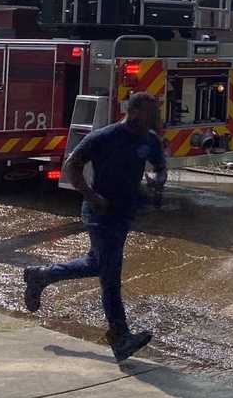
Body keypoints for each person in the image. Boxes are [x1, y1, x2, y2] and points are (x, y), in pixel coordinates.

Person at [23, 92, 168, 362]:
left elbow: (160, 167)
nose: (157, 118)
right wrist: (91, 196)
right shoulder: (104, 137)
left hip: (125, 213)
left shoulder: (150, 141)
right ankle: (120, 335)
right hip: (99, 213)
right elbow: (72, 165)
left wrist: (156, 179)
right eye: (152, 113)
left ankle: (42, 276)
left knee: (97, 264)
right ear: (135, 112)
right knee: (110, 275)